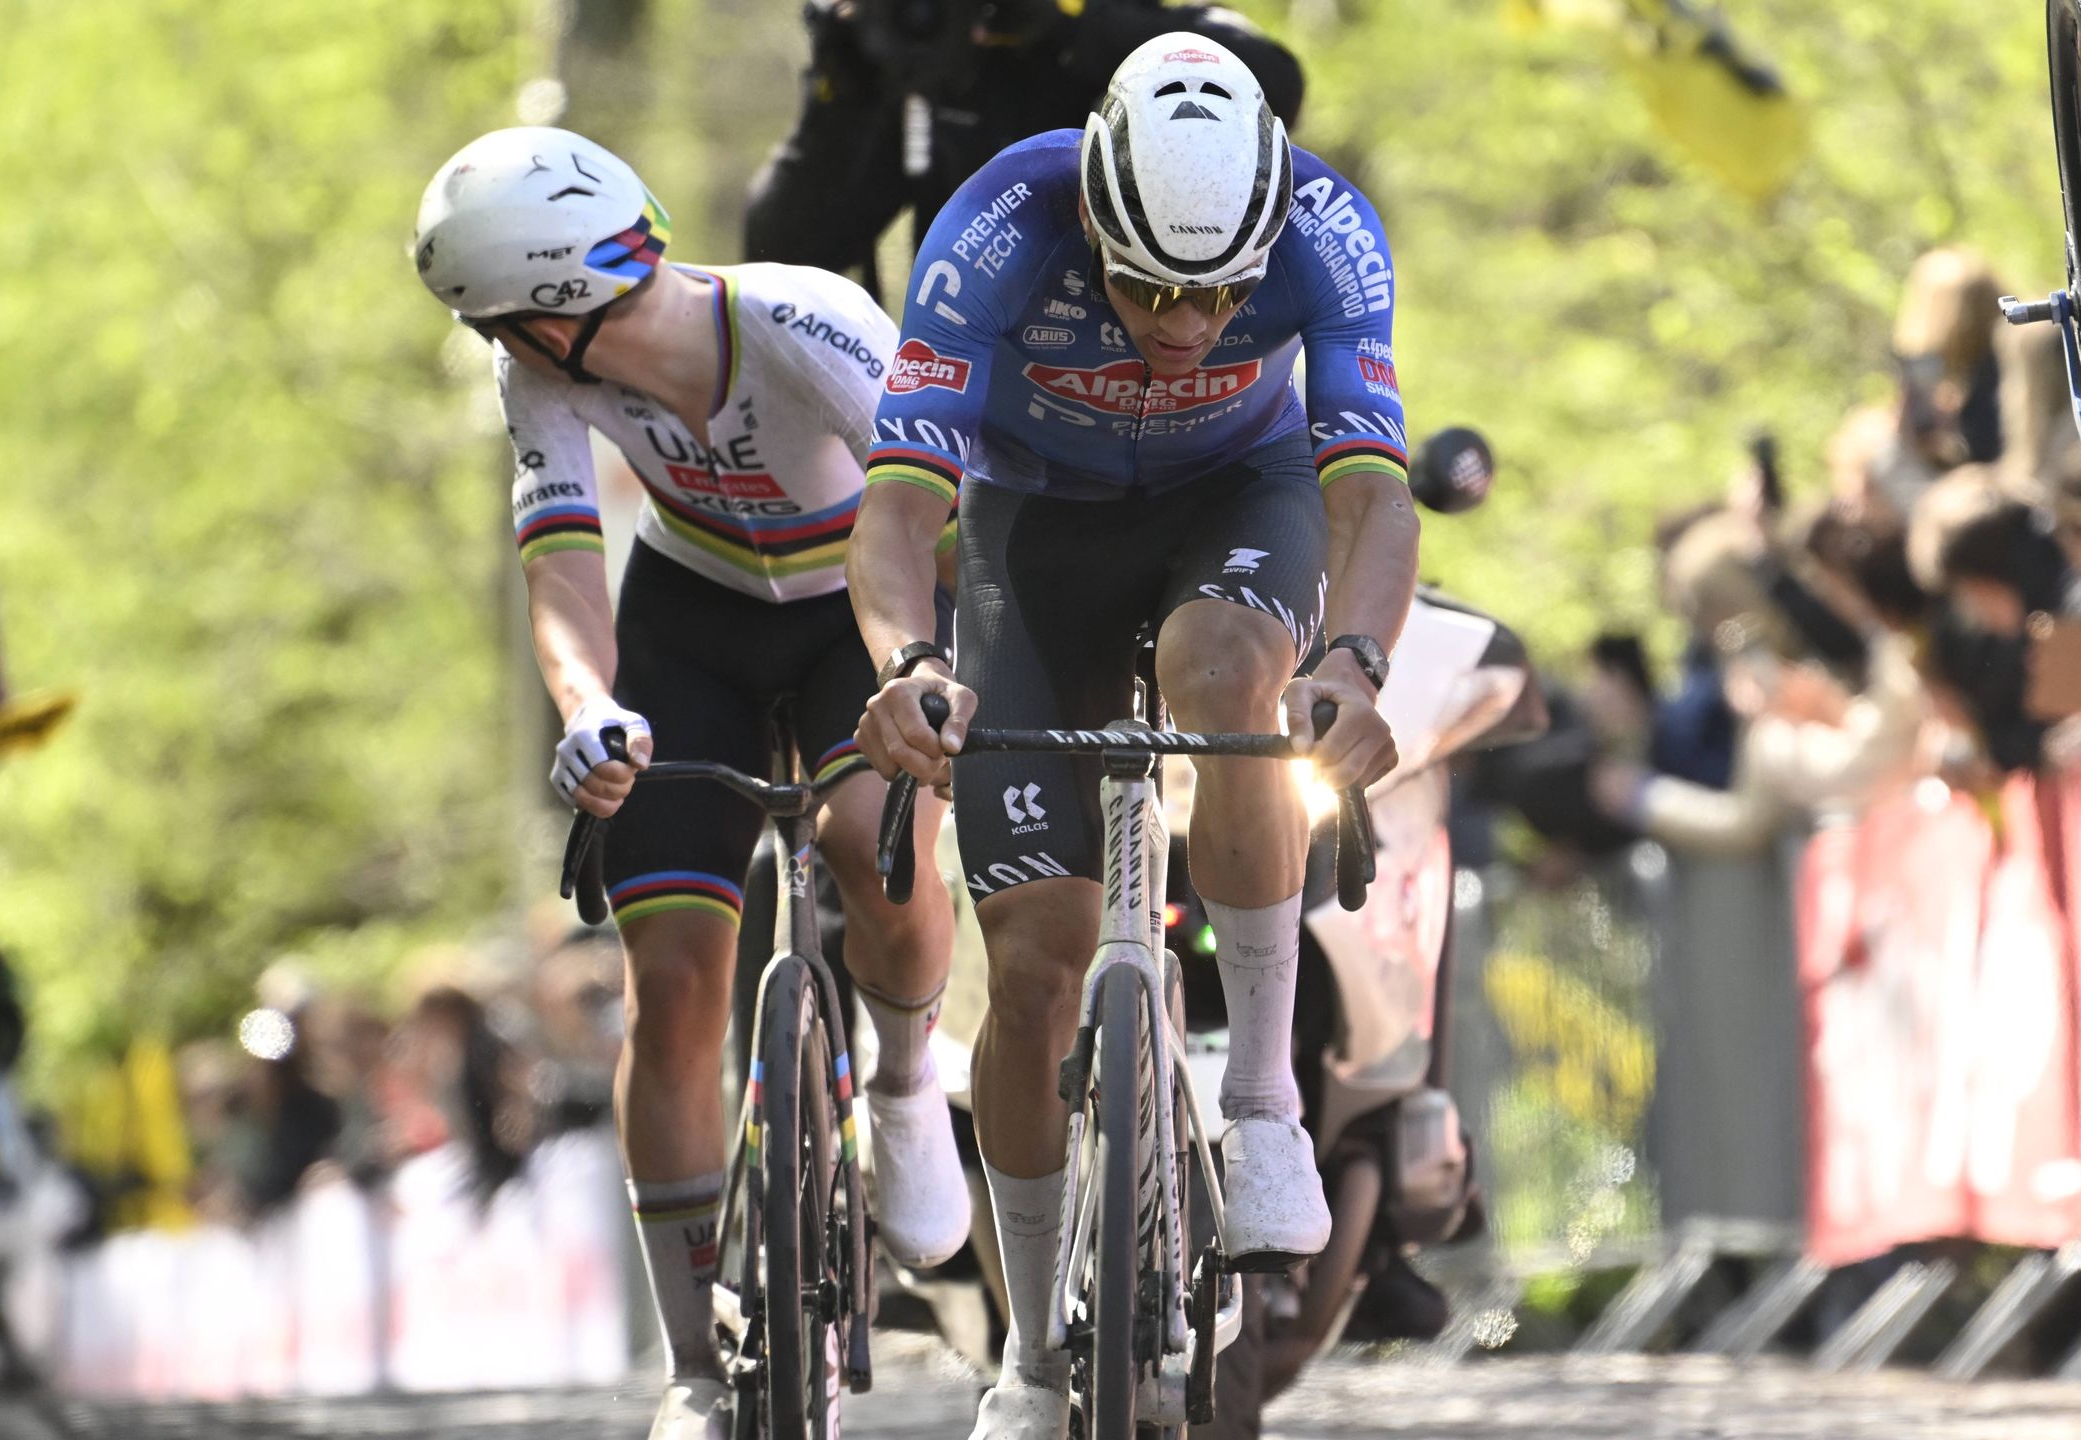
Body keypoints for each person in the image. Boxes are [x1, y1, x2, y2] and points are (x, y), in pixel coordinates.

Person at [844, 35, 1414, 1439]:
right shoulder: (997, 224)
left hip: (1239, 493)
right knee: (1033, 977)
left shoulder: (1328, 227)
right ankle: (1033, 1350)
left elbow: (1372, 495)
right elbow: (901, 507)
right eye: (1147, 287)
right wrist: (908, 663)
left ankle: (1269, 1101)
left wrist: (1353, 661)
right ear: (1091, 214)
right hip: (1036, 530)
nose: (1179, 324)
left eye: (1217, 295)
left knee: (1226, 672)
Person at [410, 127, 969, 1440]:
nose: (495, 347)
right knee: (671, 992)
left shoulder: (804, 321)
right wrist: (590, 706)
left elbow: (947, 511)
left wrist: (930, 671)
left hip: (858, 612)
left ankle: (898, 1077)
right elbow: (563, 566)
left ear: (556, 318)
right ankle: (694, 1369)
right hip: (691, 615)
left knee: (871, 842)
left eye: (497, 322)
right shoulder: (538, 380)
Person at [744, 0, 1303, 293]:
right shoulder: (938, 59)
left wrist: (1073, 26)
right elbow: (787, 251)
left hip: (1149, 348)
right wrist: (841, 97)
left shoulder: (1147, 40)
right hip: (984, 365)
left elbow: (1275, 84)